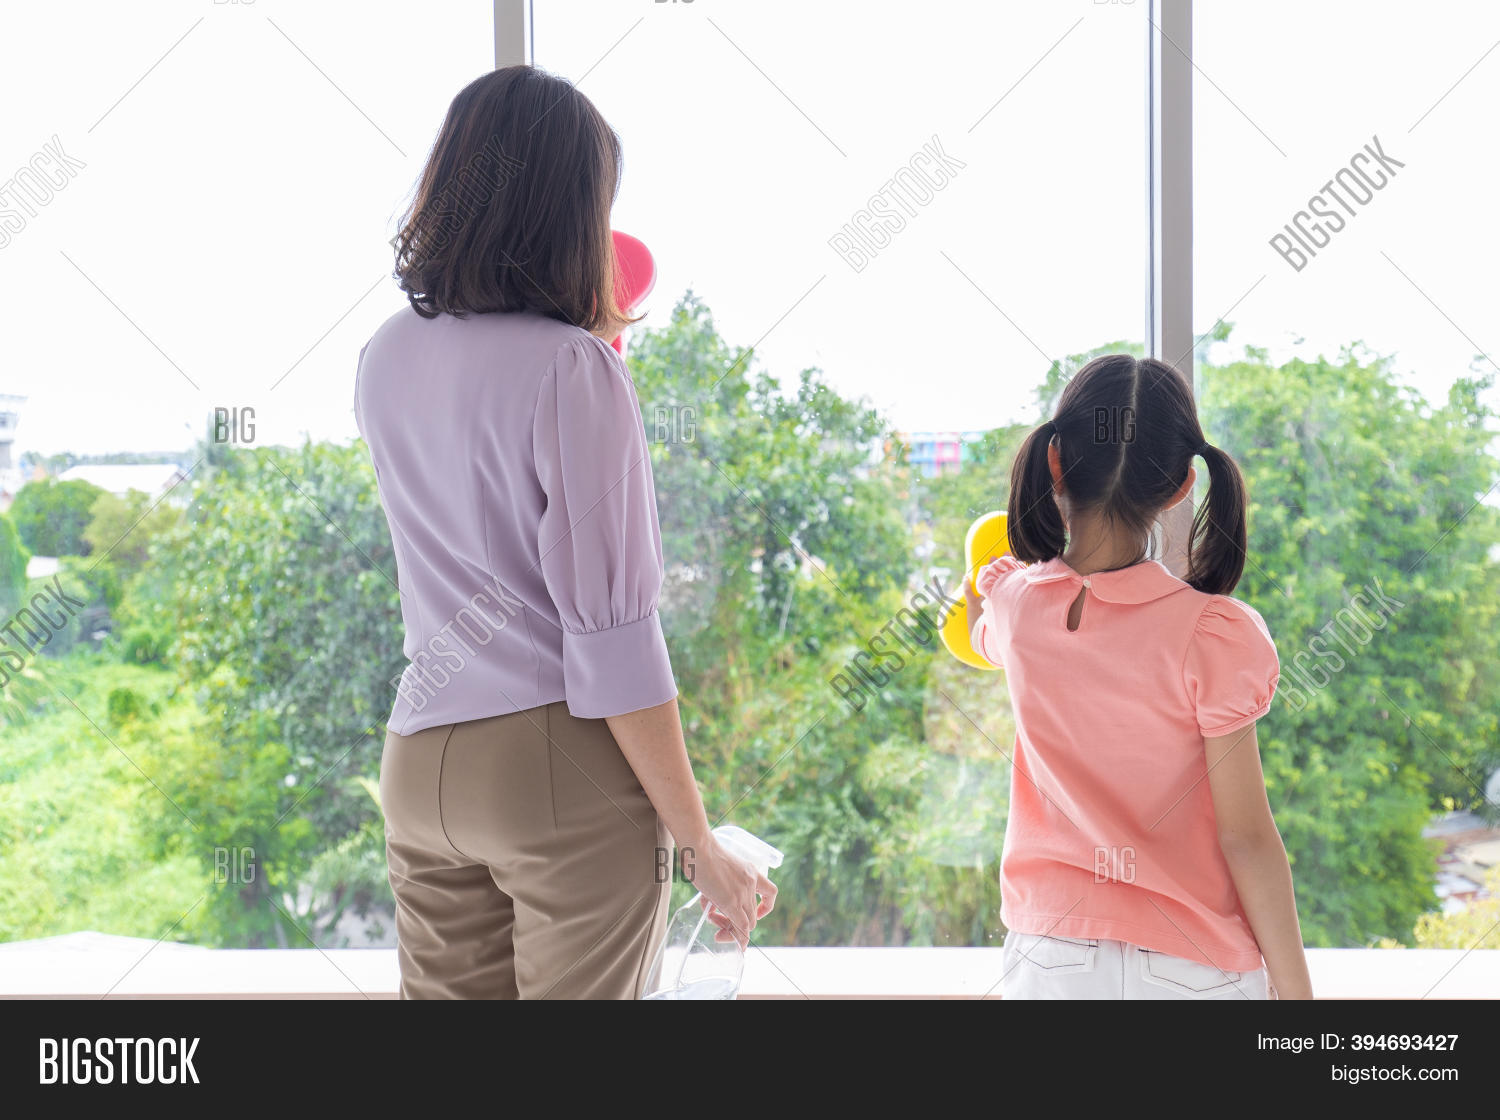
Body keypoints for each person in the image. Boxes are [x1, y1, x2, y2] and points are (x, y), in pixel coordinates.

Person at [354, 66, 773, 999]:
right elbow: (614, 638)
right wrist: (700, 846)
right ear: (573, 211)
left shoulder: (384, 355)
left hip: (418, 761)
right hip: (552, 769)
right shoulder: (573, 367)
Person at [964, 354, 1313, 1000]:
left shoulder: (1014, 609)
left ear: (1055, 462)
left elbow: (976, 631)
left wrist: (981, 579)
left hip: (1051, 957)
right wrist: (1298, 997)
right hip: (1192, 964)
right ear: (1182, 485)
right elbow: (1246, 837)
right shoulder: (1210, 635)